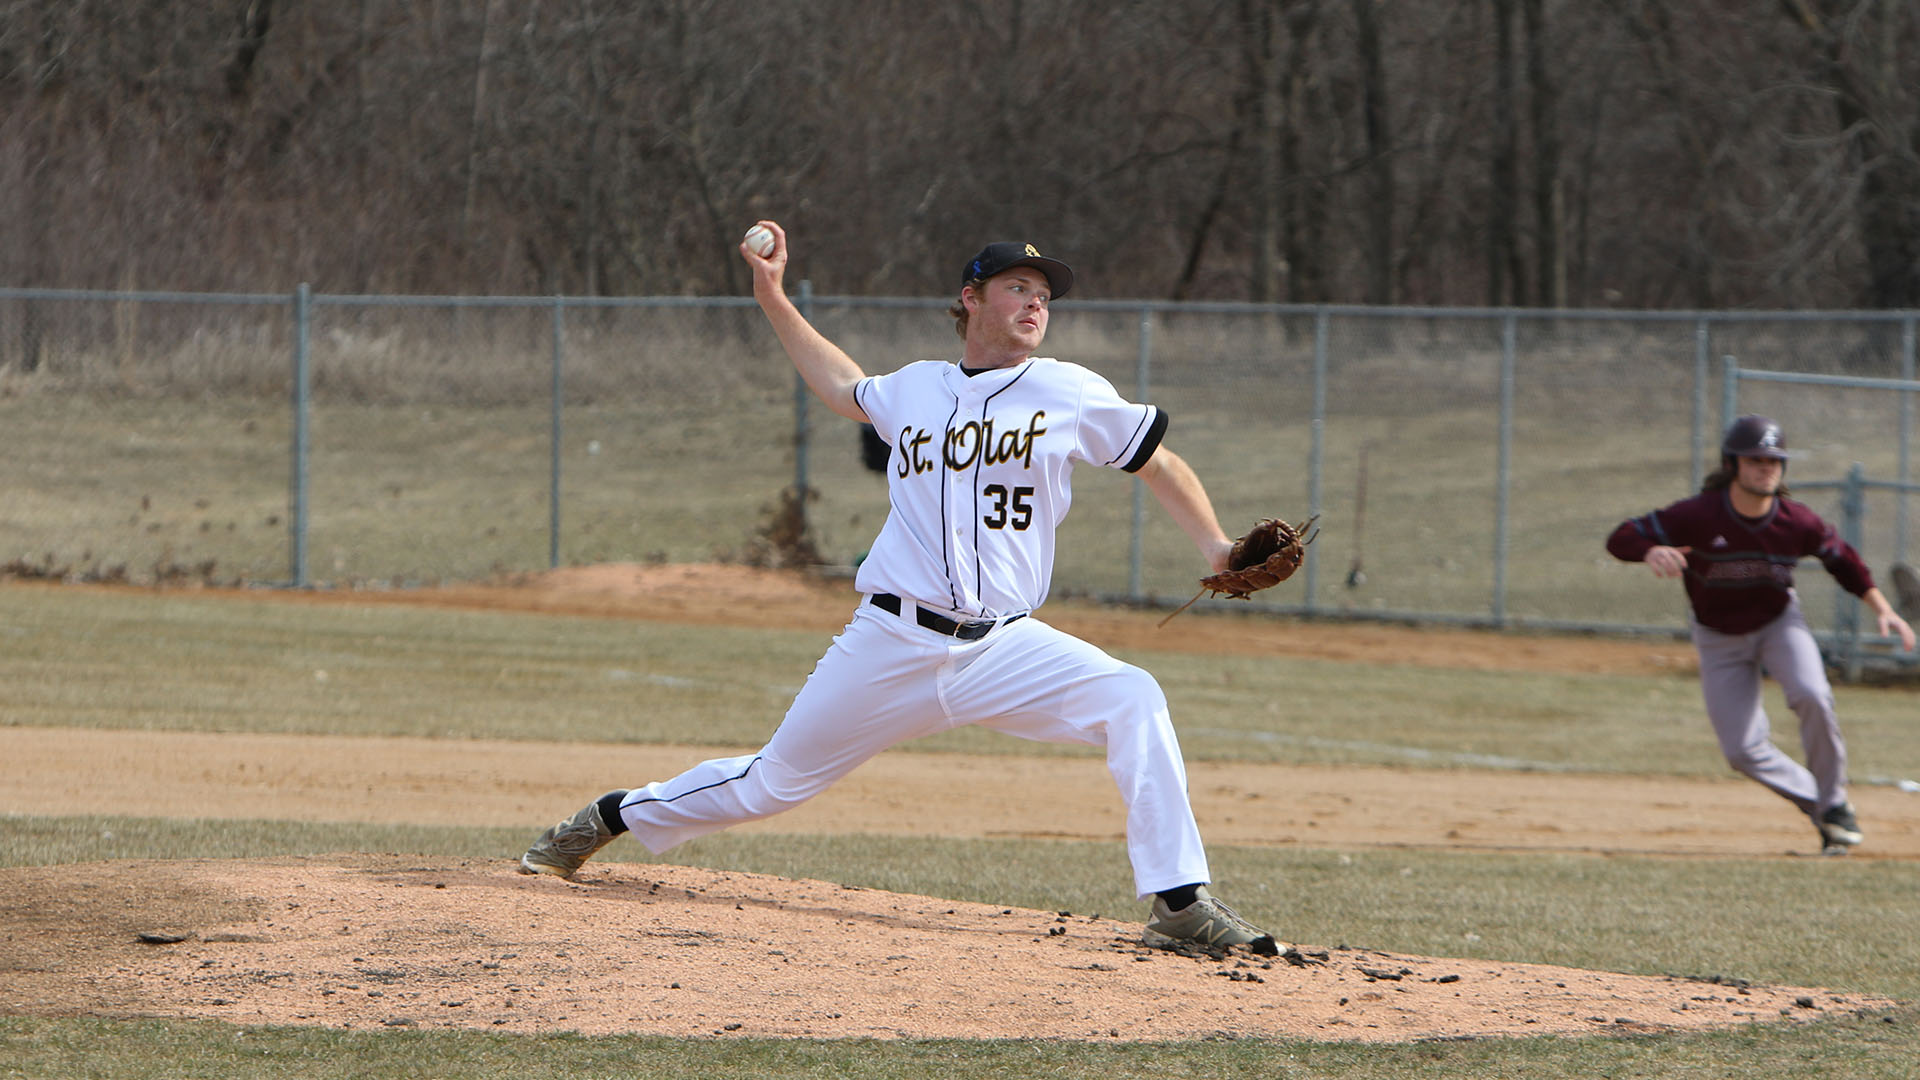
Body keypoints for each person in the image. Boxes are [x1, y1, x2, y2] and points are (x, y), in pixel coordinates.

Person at [518, 221, 1284, 954]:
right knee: (770, 784)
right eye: (1018, 287)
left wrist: (1216, 545)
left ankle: (1180, 904)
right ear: (972, 297)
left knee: (1133, 696)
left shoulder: (1069, 392)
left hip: (1002, 645)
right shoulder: (916, 389)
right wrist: (772, 297)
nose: (1035, 304)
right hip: (890, 640)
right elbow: (841, 384)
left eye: (1045, 295)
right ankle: (610, 817)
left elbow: (1158, 462)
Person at [1606, 415, 1915, 854]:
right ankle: (1826, 809)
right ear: (1733, 464)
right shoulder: (1698, 514)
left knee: (1813, 695)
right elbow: (1622, 537)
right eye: (1755, 459)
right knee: (1741, 750)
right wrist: (1651, 548)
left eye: (1774, 460)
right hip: (1718, 636)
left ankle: (1834, 801)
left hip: (1777, 625)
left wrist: (1883, 609)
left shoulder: (1795, 521)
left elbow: (1843, 561)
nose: (1766, 468)